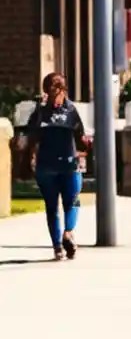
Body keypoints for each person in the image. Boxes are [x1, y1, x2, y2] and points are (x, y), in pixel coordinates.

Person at [22, 72, 91, 260]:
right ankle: (68, 233)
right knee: (73, 202)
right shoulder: (71, 111)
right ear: (64, 89)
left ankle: (58, 248)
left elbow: (31, 140)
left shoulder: (39, 113)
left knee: (52, 208)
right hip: (68, 165)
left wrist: (30, 160)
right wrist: (86, 148)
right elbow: (82, 139)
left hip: (47, 167)